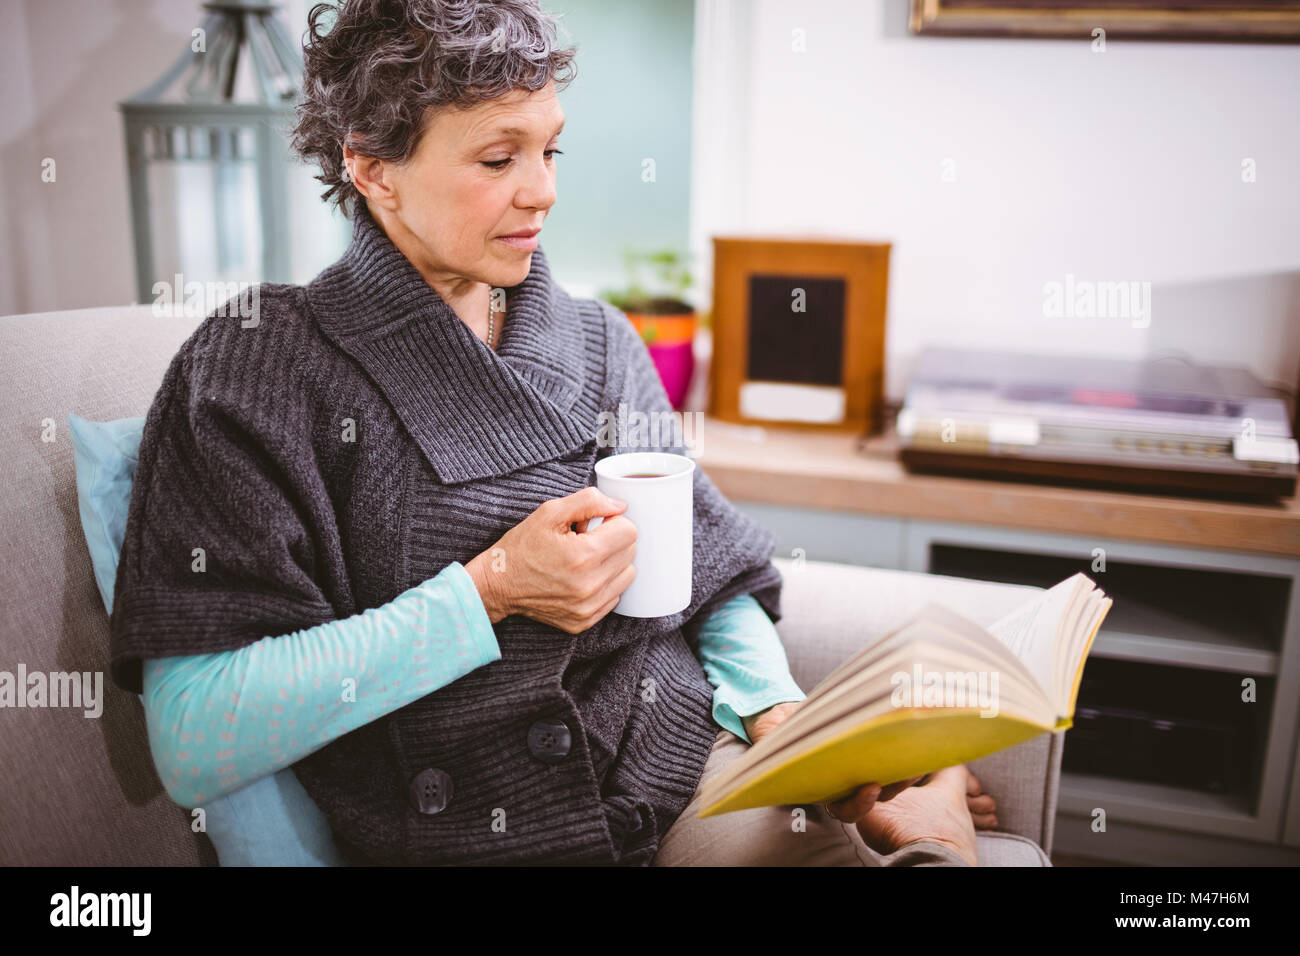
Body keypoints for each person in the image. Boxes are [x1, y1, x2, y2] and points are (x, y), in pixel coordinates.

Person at [109, 0, 995, 866]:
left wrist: (778, 718)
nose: (544, 191)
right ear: (373, 168)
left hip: (678, 768)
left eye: (549, 148)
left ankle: (929, 828)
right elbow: (194, 737)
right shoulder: (256, 366)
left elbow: (710, 576)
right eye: (499, 158)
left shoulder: (599, 341)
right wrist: (489, 591)